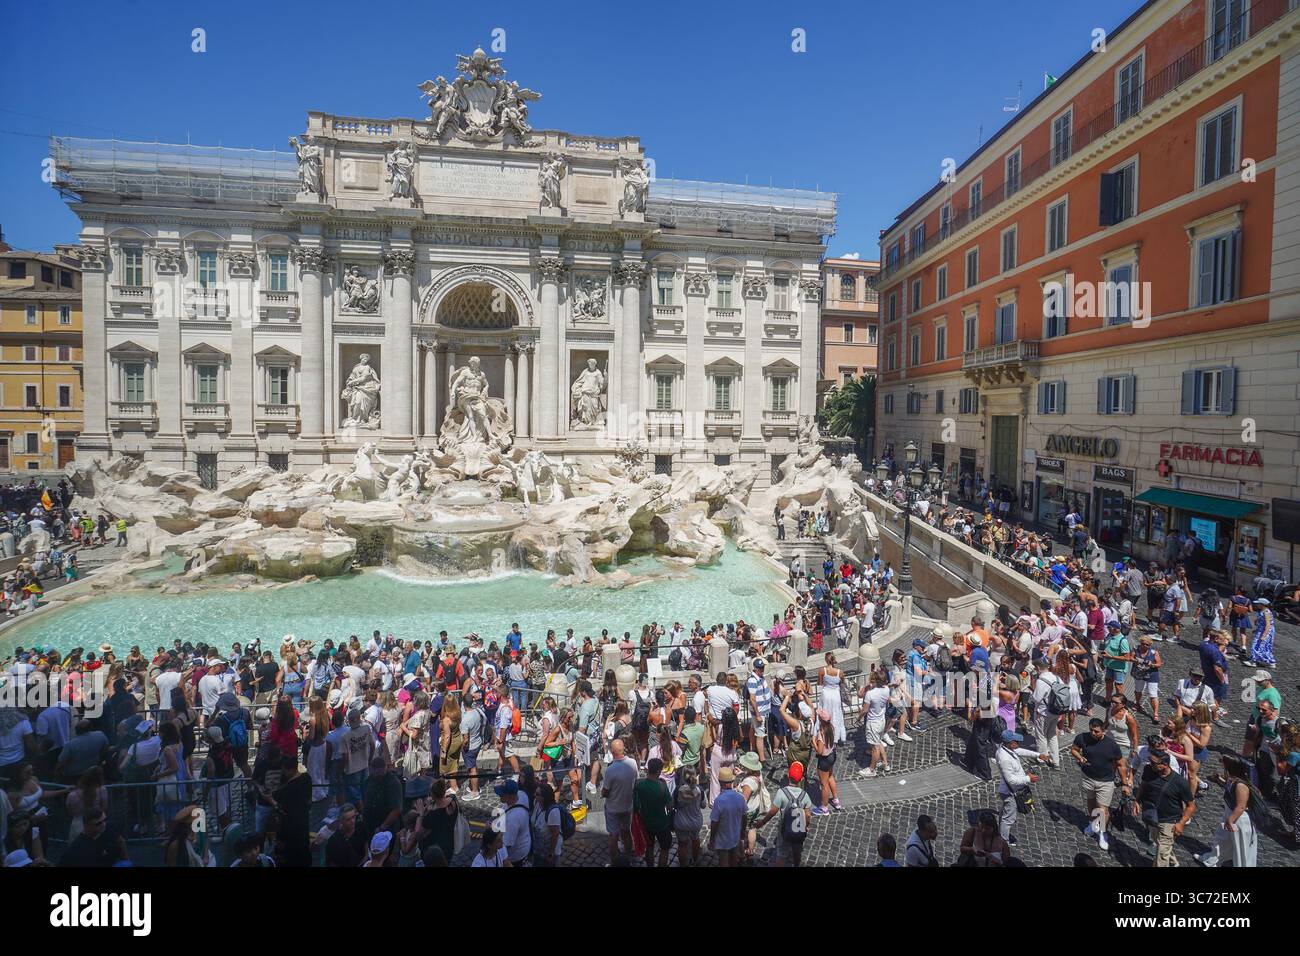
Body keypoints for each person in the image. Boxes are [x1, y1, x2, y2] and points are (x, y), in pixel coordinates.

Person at [1071, 717, 1129, 853]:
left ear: (1103, 731)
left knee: (1103, 810)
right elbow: (1074, 749)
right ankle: (1092, 822)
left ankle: (1102, 832)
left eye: (1096, 731)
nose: (1093, 733)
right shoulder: (1082, 738)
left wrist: (1125, 784)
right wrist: (1079, 757)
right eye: (1091, 730)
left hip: (1106, 781)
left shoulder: (1112, 746)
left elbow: (1121, 765)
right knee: (1091, 801)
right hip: (1088, 777)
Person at [1135, 749, 1196, 867]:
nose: (1150, 764)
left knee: (1161, 853)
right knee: (1160, 844)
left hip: (1169, 821)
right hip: (1152, 816)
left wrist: (1181, 823)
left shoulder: (1179, 782)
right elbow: (1143, 786)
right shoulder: (1149, 770)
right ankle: (1173, 863)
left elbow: (1191, 806)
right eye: (1150, 761)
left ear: (1165, 765)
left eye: (1154, 763)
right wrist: (1137, 801)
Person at [1196, 754, 1260, 868]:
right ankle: (1211, 860)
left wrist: (1230, 821)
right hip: (1230, 814)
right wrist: (1218, 779)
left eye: (1223, 762)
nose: (1221, 763)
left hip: (1238, 820)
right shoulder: (1232, 779)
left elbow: (1241, 806)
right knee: (1221, 839)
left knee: (1242, 849)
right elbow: (1229, 787)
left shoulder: (1241, 785)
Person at [756, 759, 814, 867]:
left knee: (781, 854)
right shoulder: (805, 795)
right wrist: (807, 826)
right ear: (801, 779)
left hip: (784, 828)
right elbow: (808, 814)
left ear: (788, 775)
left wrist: (762, 822)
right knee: (797, 850)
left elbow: (773, 811)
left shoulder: (781, 793)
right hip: (799, 828)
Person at [995, 730, 1045, 845]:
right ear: (1011, 743)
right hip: (1010, 792)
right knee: (1008, 819)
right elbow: (1010, 779)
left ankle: (1000, 835)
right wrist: (1028, 778)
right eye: (1017, 742)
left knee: (1004, 814)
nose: (1019, 743)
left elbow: (1021, 751)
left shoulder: (1007, 748)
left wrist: (1038, 755)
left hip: (1011, 790)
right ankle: (1003, 843)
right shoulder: (1004, 758)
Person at [601, 738, 637, 864]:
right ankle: (628, 857)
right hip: (627, 806)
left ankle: (614, 860)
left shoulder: (610, 770)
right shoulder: (633, 763)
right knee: (626, 832)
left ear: (612, 751)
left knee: (613, 836)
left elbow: (605, 792)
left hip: (613, 808)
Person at [633, 757, 674, 867]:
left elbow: (635, 804)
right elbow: (670, 807)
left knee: (649, 847)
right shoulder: (662, 786)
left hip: (646, 822)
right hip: (662, 824)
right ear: (659, 771)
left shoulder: (639, 784)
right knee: (664, 849)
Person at [708, 766, 746, 866]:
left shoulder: (719, 801)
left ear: (720, 782)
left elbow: (714, 822)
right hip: (735, 836)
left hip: (723, 838)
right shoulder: (740, 797)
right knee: (734, 861)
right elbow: (744, 816)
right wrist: (742, 832)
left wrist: (712, 838)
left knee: (723, 861)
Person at [672, 768, 704, 866]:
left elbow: (673, 805)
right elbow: (703, 805)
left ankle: (683, 864)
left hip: (681, 821)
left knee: (682, 844)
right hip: (695, 821)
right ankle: (695, 860)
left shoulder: (678, 789)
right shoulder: (699, 789)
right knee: (695, 839)